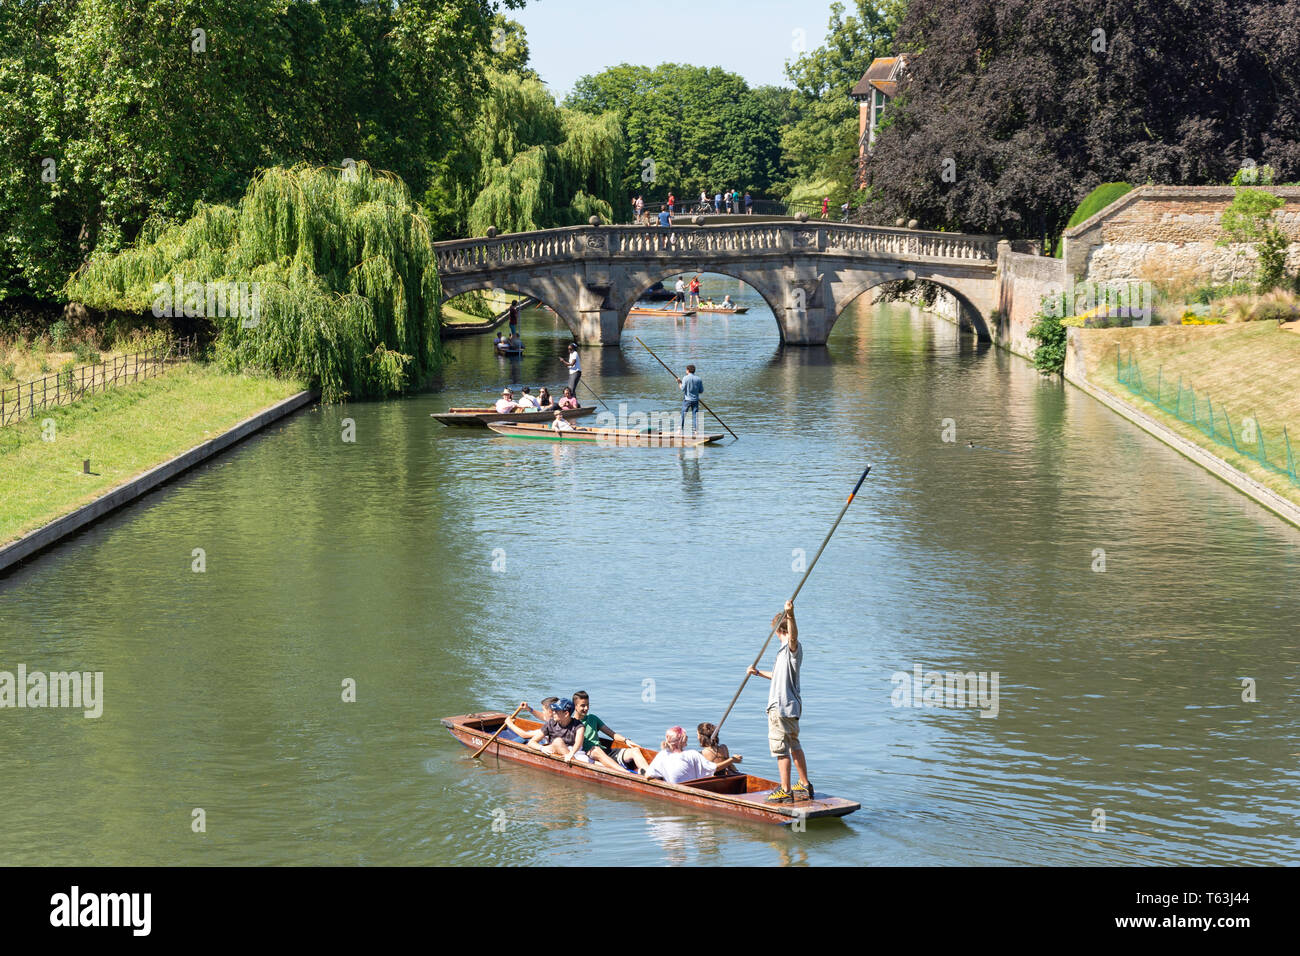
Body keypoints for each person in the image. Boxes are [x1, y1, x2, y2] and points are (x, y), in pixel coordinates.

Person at [747, 599, 810, 803]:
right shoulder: (782, 653)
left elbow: (793, 637)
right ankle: (804, 784)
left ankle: (785, 789)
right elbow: (777, 675)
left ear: (777, 630)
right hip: (791, 708)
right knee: (794, 745)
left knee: (780, 748)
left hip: (781, 708)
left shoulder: (792, 648)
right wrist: (757, 673)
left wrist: (790, 615)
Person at [571, 691, 652, 773]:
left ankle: (650, 775)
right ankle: (626, 773)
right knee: (596, 750)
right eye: (583, 705)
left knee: (635, 751)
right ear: (575, 706)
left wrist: (626, 740)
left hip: (604, 751)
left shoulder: (593, 718)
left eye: (588, 705)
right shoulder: (571, 723)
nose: (586, 708)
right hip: (590, 754)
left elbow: (612, 734)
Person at [646, 726, 741, 784]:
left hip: (684, 787)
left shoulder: (662, 755)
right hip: (694, 786)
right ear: (683, 740)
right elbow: (714, 768)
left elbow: (648, 776)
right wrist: (732, 760)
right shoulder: (693, 754)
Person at [677, 363, 703, 435]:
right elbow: (701, 391)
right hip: (695, 400)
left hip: (687, 400)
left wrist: (679, 382)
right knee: (695, 415)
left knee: (683, 414)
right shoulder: (698, 379)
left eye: (686, 370)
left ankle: (679, 430)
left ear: (688, 370)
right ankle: (696, 431)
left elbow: (682, 388)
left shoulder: (685, 378)